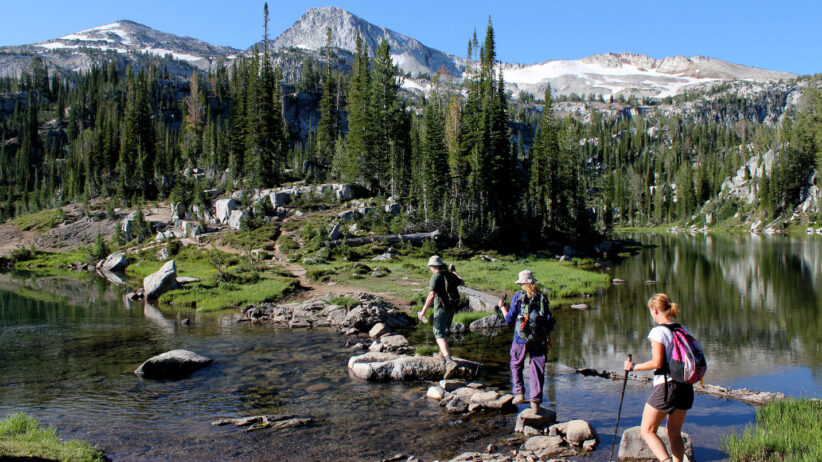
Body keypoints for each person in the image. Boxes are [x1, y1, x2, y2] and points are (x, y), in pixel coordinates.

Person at [624, 293, 694, 462]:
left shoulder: (658, 331)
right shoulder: (682, 328)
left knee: (647, 430)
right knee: (674, 432)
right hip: (685, 387)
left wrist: (633, 367)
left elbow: (658, 362)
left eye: (650, 311)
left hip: (667, 387)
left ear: (655, 310)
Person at [498, 270, 553, 412]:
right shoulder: (543, 298)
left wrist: (502, 307)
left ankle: (519, 392)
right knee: (537, 369)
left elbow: (509, 319)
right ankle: (535, 402)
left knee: (516, 364)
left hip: (520, 338)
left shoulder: (518, 297)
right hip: (539, 339)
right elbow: (548, 322)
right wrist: (549, 339)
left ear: (522, 283)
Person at [417, 255, 464, 379]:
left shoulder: (435, 277)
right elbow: (462, 281)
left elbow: (431, 295)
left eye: (430, 266)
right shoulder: (449, 274)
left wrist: (423, 312)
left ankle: (449, 361)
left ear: (433, 266)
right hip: (452, 308)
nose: (430, 268)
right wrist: (454, 271)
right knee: (445, 330)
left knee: (438, 333)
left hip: (441, 309)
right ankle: (443, 354)